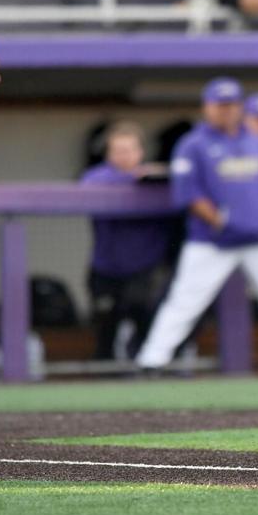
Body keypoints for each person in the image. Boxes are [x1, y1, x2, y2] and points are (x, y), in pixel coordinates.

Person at [133, 77, 258, 374]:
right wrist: (221, 220)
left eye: (231, 105)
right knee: (184, 301)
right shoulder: (193, 144)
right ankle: (151, 361)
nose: (226, 111)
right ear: (207, 107)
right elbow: (190, 194)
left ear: (239, 108)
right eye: (220, 105)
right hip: (212, 240)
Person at [81, 122, 174, 362]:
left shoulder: (156, 178)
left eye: (129, 150)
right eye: (118, 150)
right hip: (106, 268)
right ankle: (105, 381)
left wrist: (154, 177)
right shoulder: (98, 178)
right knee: (105, 330)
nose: (124, 156)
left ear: (141, 152)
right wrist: (131, 180)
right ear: (109, 153)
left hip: (145, 270)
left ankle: (149, 374)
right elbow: (86, 186)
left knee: (147, 327)